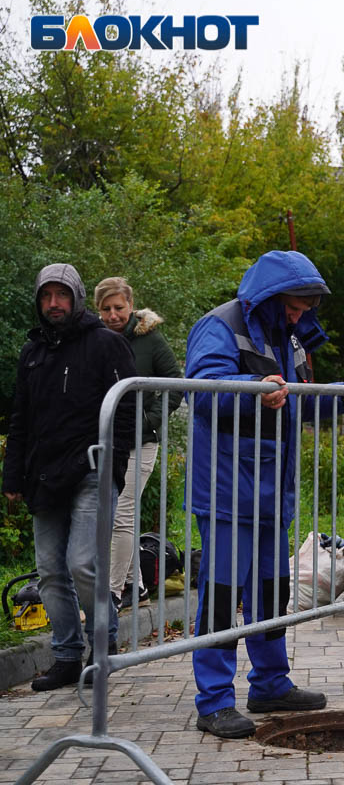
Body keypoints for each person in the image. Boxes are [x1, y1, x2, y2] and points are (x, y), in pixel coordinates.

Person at [185, 250, 344, 739]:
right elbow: (203, 392)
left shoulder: (284, 335)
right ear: (270, 297)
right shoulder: (220, 326)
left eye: (303, 309)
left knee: (271, 594)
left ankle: (270, 683)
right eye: (293, 307)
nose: (299, 316)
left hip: (272, 494)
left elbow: (297, 401)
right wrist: (254, 387)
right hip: (228, 489)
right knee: (222, 595)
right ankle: (214, 700)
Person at [2, 264, 135, 691]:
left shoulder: (106, 345)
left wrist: (113, 466)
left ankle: (103, 648)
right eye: (46, 296)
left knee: (83, 564)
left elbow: (127, 412)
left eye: (61, 295)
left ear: (76, 298)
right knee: (49, 572)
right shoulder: (33, 352)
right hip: (43, 475)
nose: (54, 304)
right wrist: (12, 477)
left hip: (91, 472)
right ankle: (65, 656)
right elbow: (20, 418)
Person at [94, 277, 184, 610]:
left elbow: (175, 383)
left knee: (121, 515)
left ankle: (112, 594)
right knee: (115, 515)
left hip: (141, 442)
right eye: (106, 309)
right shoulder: (96, 339)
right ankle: (139, 587)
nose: (113, 314)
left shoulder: (150, 339)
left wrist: (149, 420)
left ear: (131, 306)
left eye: (119, 307)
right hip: (106, 439)